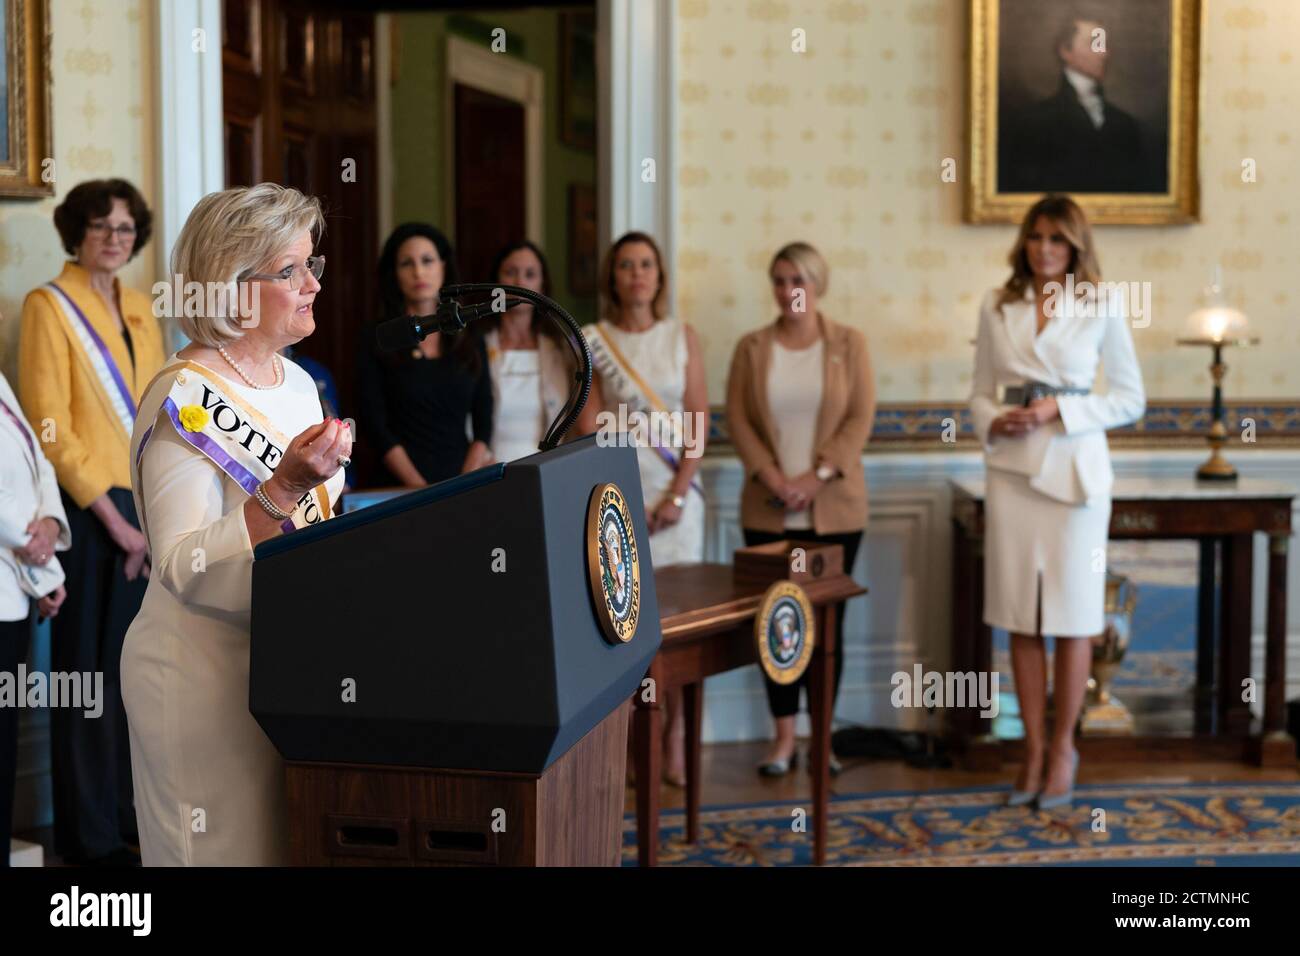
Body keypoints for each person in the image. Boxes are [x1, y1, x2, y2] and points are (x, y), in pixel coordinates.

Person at [121, 183, 351, 865]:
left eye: (314, 264)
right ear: (233, 287)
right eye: (291, 271)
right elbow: (181, 564)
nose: (312, 283)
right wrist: (282, 488)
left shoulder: (299, 383)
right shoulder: (185, 396)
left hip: (286, 667)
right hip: (200, 678)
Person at [969, 194, 1144, 809]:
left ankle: (1066, 747)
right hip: (1013, 475)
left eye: (1057, 240)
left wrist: (1060, 408)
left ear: (1075, 246)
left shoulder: (1101, 302)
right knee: (1020, 616)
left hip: (1074, 480)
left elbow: (1129, 399)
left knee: (1072, 617)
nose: (1044, 249)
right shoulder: (998, 304)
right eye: (1037, 237)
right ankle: (1033, 749)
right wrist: (997, 420)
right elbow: (978, 394)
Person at [18, 177, 165, 865]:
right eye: (102, 226)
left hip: (145, 507)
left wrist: (156, 517)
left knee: (136, 674)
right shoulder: (49, 305)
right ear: (76, 232)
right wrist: (117, 524)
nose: (116, 237)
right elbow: (52, 431)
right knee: (88, 682)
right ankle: (90, 837)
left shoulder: (141, 307)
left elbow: (166, 415)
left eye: (127, 226)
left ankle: (131, 817)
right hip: (88, 512)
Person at [725, 242, 876, 777]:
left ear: (818, 286)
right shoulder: (751, 347)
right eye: (780, 280)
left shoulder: (849, 345)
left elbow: (859, 418)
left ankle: (822, 739)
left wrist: (817, 477)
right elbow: (738, 419)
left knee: (827, 628)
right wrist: (773, 477)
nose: (789, 290)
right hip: (768, 510)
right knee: (777, 623)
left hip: (834, 511)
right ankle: (783, 737)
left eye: (800, 280)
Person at [579, 231, 706, 787]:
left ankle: (674, 740)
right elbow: (588, 425)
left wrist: (676, 494)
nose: (636, 274)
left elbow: (699, 424)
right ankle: (633, 740)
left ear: (659, 276)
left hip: (679, 504)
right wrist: (623, 498)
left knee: (679, 630)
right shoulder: (593, 339)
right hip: (620, 501)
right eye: (626, 264)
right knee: (625, 630)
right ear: (614, 275)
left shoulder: (683, 337)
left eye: (646, 264)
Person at [356, 223, 492, 487]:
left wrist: (463, 483)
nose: (418, 271)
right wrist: (421, 490)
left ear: (443, 267)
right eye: (407, 263)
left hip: (463, 482)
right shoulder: (378, 336)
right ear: (394, 273)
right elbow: (376, 426)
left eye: (427, 260)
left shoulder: (470, 335)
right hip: (399, 486)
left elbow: (484, 420)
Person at [0, 362, 70, 867]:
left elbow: (38, 462)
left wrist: (49, 522)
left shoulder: (3, 379)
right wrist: (42, 560)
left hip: (15, 590)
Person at [999, 12, 1160, 194]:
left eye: (1104, 45)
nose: (1104, 54)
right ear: (1065, 51)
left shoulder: (1125, 125)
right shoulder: (1034, 122)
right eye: (1094, 44)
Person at [480, 240, 575, 463]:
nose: (519, 282)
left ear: (542, 285)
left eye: (530, 274)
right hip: (487, 472)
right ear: (496, 284)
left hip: (549, 469)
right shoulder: (477, 346)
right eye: (510, 272)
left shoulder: (563, 350)